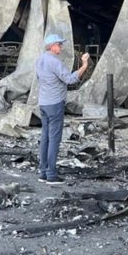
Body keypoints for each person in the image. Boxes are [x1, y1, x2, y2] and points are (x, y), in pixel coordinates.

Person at [35, 34, 90, 184]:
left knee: (45, 138)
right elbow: (70, 79)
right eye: (59, 44)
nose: (61, 46)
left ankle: (43, 172)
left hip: (43, 103)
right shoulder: (55, 62)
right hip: (55, 104)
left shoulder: (39, 60)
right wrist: (84, 65)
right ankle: (51, 175)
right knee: (54, 139)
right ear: (52, 46)